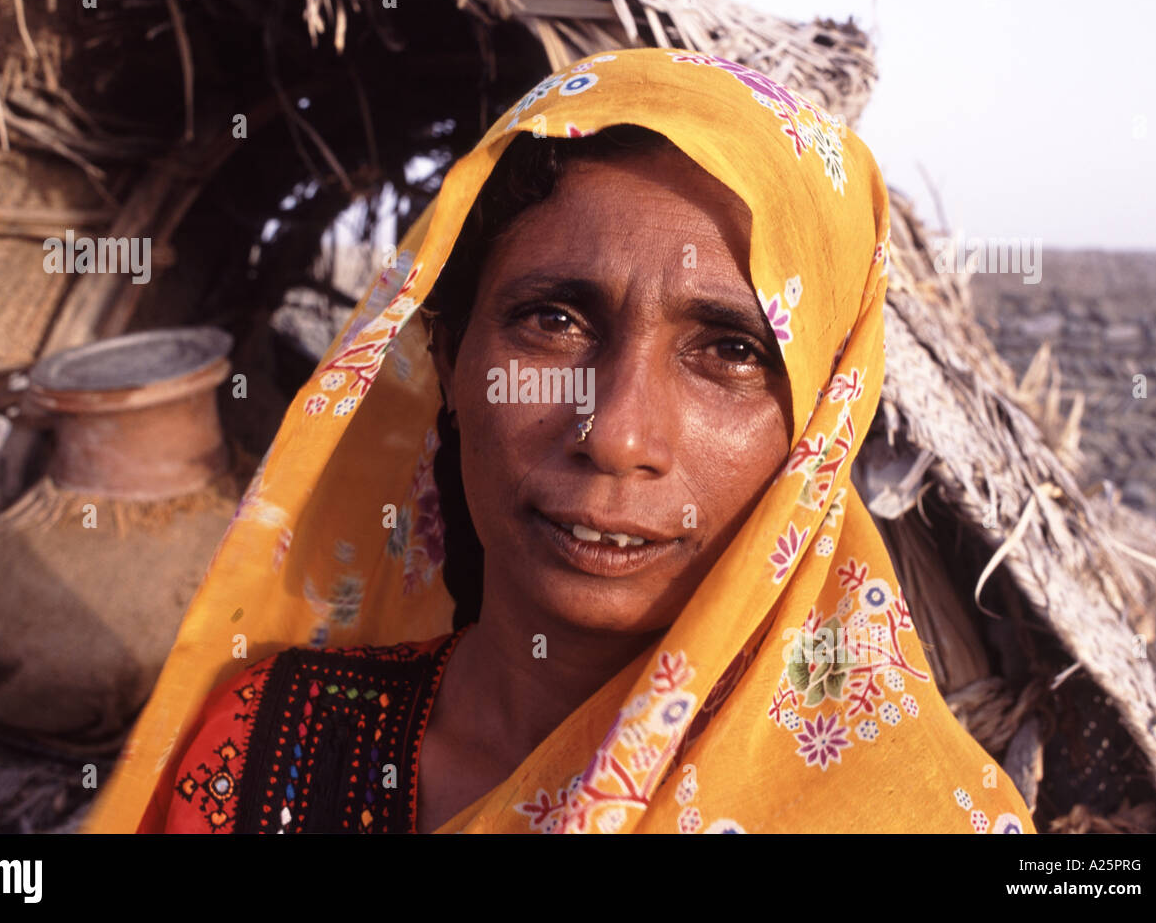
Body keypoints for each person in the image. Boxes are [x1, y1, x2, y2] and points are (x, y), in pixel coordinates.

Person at [85, 47, 1035, 834]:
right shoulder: (267, 748)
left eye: (732, 351)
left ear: (819, 430)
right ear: (449, 359)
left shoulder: (910, 816)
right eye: (554, 322)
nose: (616, 433)